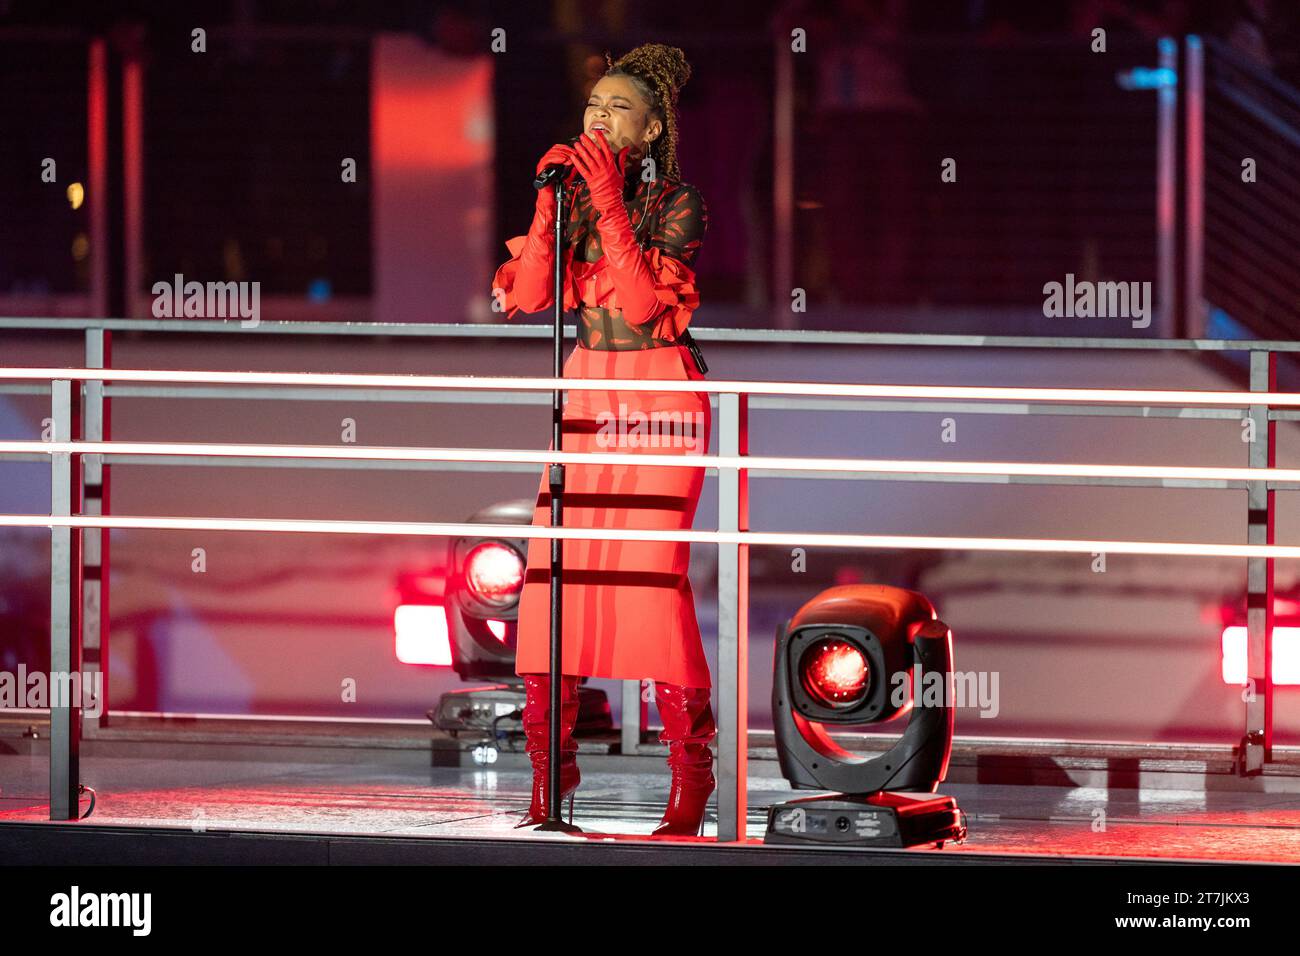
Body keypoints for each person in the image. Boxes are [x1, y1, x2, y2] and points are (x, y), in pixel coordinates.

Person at [491, 42, 715, 837]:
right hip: (587, 388)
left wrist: (609, 201)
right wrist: (552, 204)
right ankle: (549, 785)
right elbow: (524, 296)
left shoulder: (678, 201)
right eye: (593, 106)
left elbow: (649, 300)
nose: (599, 118)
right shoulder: (574, 199)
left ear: (651, 130)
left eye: (618, 108)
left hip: (658, 394)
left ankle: (690, 782)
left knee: (651, 587)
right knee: (556, 581)